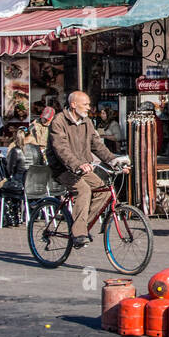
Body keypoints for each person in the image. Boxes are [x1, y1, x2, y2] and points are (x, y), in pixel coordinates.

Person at [47, 90, 121, 248]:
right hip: (64, 169)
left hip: (84, 168)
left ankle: (80, 227)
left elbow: (97, 145)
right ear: (73, 105)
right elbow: (61, 149)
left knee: (105, 191)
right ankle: (79, 232)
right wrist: (76, 164)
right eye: (85, 104)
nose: (89, 107)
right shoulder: (59, 121)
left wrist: (113, 160)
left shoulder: (87, 122)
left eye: (89, 104)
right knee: (84, 190)